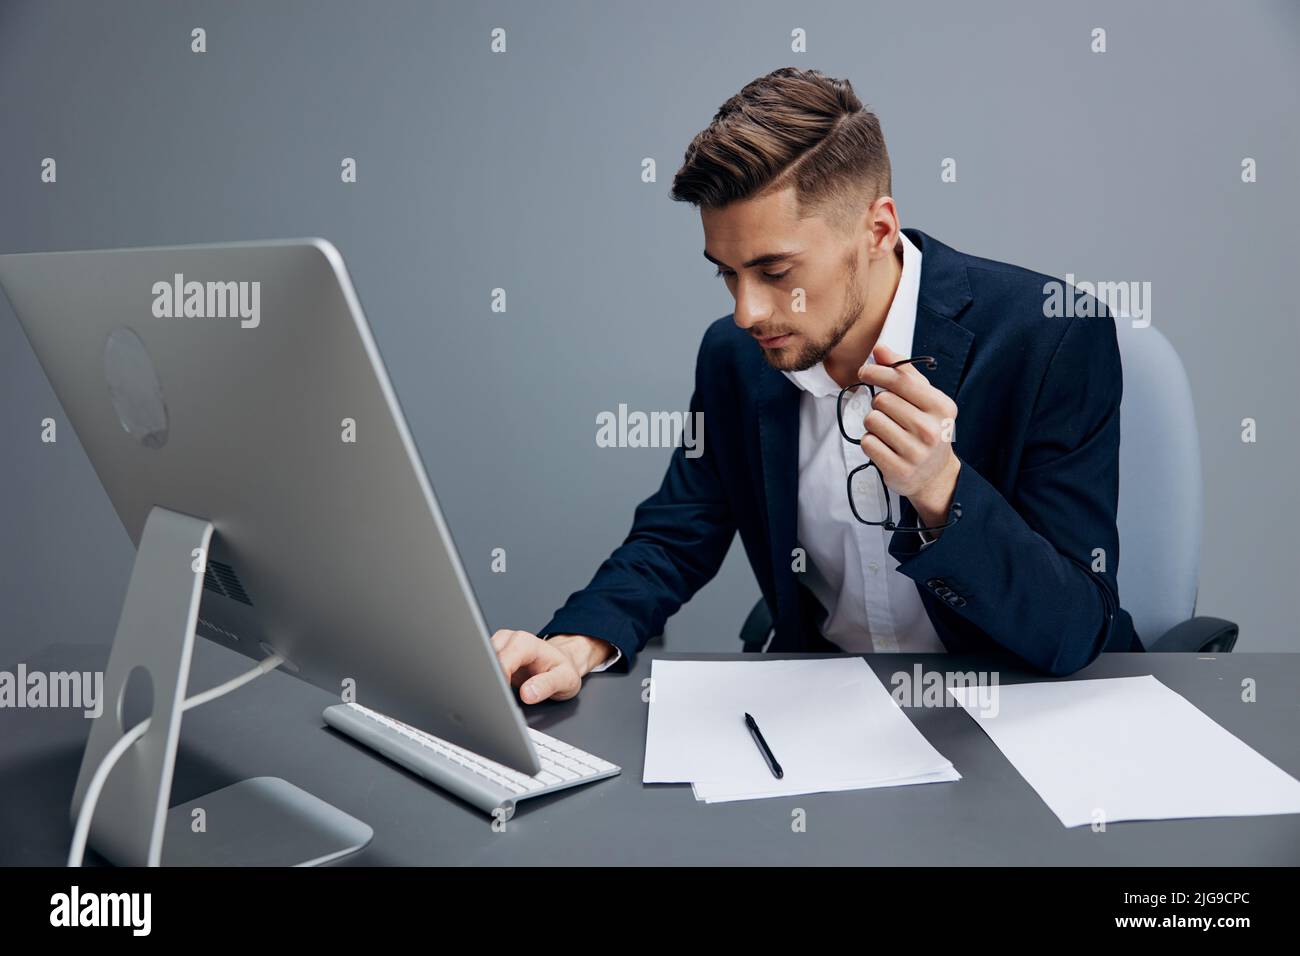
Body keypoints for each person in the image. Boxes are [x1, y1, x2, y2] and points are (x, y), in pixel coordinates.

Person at [492, 67, 1138, 705]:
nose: (747, 312)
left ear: (878, 229)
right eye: (726, 273)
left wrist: (943, 492)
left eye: (774, 271)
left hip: (1028, 706)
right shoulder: (735, 357)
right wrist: (578, 642)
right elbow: (677, 531)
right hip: (828, 720)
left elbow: (1075, 625)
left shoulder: (1049, 336)